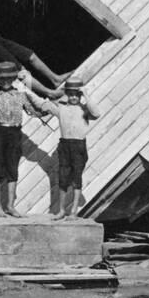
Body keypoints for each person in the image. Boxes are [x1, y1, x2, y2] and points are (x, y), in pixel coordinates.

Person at [0, 59, 52, 217]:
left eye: (9, 78)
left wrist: (49, 109)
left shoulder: (20, 95)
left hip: (14, 133)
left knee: (12, 169)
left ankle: (10, 206)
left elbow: (33, 111)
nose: (5, 81)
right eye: (2, 78)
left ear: (13, 78)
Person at [34, 79, 101, 218]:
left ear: (80, 95)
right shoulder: (62, 109)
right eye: (70, 94)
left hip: (79, 147)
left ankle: (74, 211)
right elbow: (44, 105)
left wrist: (86, 95)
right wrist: (26, 92)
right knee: (63, 178)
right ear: (66, 95)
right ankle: (62, 210)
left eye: (77, 94)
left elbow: (96, 113)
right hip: (65, 145)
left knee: (77, 178)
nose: (74, 97)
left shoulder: (84, 110)